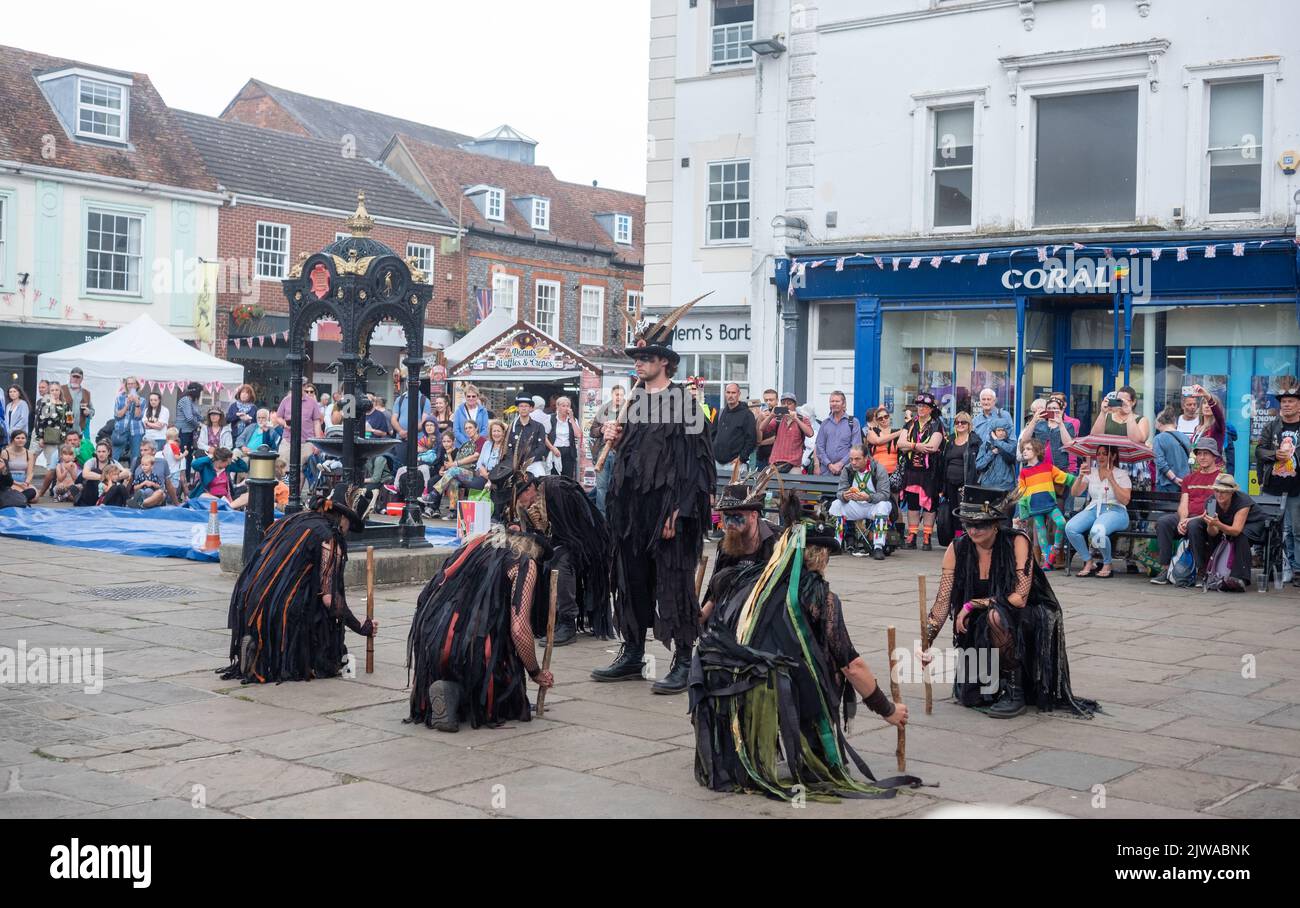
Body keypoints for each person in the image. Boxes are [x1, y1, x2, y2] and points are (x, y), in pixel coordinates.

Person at [691, 495, 918, 799]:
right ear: (821, 556)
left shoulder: (751, 582)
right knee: (825, 667)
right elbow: (851, 664)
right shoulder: (822, 599)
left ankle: (752, 750)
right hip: (774, 689)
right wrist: (888, 709)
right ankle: (811, 744)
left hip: (729, 687)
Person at [595, 297, 715, 695]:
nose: (638, 363)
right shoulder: (631, 402)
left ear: (664, 361)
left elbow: (697, 464)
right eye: (637, 357)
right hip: (631, 511)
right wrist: (609, 434)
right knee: (632, 579)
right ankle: (632, 652)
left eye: (645, 357)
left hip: (669, 512)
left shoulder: (685, 402)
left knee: (674, 582)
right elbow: (630, 453)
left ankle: (684, 659)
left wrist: (678, 512)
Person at [922, 485, 1097, 719]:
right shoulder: (957, 548)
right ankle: (994, 681)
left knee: (997, 615)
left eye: (980, 524)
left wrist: (973, 604)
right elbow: (942, 602)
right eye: (968, 524)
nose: (973, 530)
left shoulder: (1017, 541)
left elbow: (1019, 598)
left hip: (1027, 615)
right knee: (970, 696)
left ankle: (1015, 691)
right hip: (983, 622)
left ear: (995, 523)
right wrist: (925, 642)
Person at [220, 480, 378, 683]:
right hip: (282, 610)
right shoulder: (330, 540)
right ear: (344, 518)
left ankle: (258, 648)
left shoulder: (296, 519)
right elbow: (330, 599)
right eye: (351, 524)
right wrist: (361, 627)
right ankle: (281, 655)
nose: (348, 531)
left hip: (251, 601)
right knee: (328, 649)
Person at [406, 526, 552, 732]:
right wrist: (535, 671)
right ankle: (457, 693)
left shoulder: (472, 548)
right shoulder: (523, 563)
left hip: (432, 640)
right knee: (503, 690)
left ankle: (450, 690)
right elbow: (519, 629)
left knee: (471, 659)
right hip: (475, 648)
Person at [506, 468, 613, 644]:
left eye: (519, 497)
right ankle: (541, 620)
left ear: (530, 489)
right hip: (563, 540)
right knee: (531, 556)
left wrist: (547, 544)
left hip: (585, 541)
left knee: (559, 562)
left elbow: (572, 531)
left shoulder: (557, 490)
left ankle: (567, 621)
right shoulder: (534, 498)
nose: (519, 503)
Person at [1150, 437, 1225, 584]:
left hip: (1209, 519)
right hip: (1188, 517)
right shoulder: (1189, 479)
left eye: (1206, 453)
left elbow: (1213, 509)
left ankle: (1200, 571)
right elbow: (1183, 504)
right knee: (1164, 522)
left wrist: (1188, 521)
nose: (1202, 457)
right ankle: (1166, 569)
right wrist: (1183, 520)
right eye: (1199, 453)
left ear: (1215, 456)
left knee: (1193, 525)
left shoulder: (1221, 479)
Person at [1255, 383, 1300, 588]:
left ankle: (1297, 569)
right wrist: (1275, 455)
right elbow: (1259, 451)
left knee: (1296, 530)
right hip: (1272, 486)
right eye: (1284, 401)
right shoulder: (1271, 426)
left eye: (1291, 401)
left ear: (1299, 405)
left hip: (1296, 487)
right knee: (1273, 529)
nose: (1287, 405)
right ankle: (1275, 568)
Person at [1064, 445, 1132, 578]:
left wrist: (1111, 479)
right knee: (1070, 528)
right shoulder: (1091, 472)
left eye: (1105, 453)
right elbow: (1075, 492)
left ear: (1113, 456)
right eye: (1098, 453)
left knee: (1097, 531)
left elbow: (1125, 500)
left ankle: (1107, 563)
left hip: (1115, 510)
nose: (1100, 456)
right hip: (1094, 508)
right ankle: (1088, 560)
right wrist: (1080, 476)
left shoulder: (1121, 474)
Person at [1190, 474, 1258, 588]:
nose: (1219, 494)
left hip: (1254, 524)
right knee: (1211, 534)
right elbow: (1213, 532)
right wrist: (1211, 524)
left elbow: (1236, 530)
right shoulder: (1211, 502)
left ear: (1231, 492)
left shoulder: (1243, 501)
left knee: (1241, 535)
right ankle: (1211, 572)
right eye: (1216, 490)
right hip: (1228, 525)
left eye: (1223, 491)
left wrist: (1218, 524)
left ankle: (1240, 578)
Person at [1016, 438, 1073, 569]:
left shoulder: (1047, 467)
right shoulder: (1024, 472)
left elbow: (1063, 477)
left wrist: (1079, 480)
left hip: (1050, 504)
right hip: (1035, 507)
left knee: (1061, 523)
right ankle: (1047, 560)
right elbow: (1022, 492)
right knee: (1041, 534)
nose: (1025, 451)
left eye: (1028, 449)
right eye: (1024, 449)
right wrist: (1023, 514)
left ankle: (1056, 548)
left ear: (1037, 451)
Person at [897, 392, 945, 550]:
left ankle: (927, 536)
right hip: (912, 470)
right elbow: (900, 444)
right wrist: (916, 446)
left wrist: (909, 445)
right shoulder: (910, 424)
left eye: (925, 406)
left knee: (930, 504)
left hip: (930, 471)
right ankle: (911, 536)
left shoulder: (937, 424)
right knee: (912, 504)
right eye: (919, 406)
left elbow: (932, 447)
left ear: (931, 409)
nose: (921, 409)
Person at [830, 445, 894, 559]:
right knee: (836, 504)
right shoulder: (847, 469)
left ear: (866, 458)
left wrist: (868, 497)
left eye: (857, 459)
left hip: (873, 506)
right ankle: (836, 544)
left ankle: (878, 547)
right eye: (851, 459)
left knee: (883, 505)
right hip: (855, 507)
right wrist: (844, 496)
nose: (853, 462)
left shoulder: (878, 469)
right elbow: (840, 492)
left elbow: (884, 494)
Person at [430, 419, 486, 516]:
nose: (468, 430)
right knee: (453, 481)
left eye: (470, 427)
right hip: (463, 472)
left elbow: (475, 456)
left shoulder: (481, 440)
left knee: (454, 470)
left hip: (474, 473)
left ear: (476, 428)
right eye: (466, 428)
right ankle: (453, 511)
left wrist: (456, 463)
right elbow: (455, 462)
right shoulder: (467, 444)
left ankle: (434, 494)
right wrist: (445, 469)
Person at [759, 391, 813, 473]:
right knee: (769, 485)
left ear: (795, 405)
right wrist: (771, 415)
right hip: (775, 462)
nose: (786, 406)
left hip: (793, 464)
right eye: (783, 403)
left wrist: (796, 419)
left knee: (795, 484)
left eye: (789, 403)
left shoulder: (802, 419)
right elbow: (761, 428)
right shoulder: (778, 419)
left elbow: (810, 433)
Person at [591, 385, 625, 514]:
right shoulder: (603, 410)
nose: (618, 397)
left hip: (619, 454)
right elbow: (592, 431)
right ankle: (602, 518)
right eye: (616, 394)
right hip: (602, 453)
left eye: (621, 395)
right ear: (612, 395)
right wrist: (602, 429)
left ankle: (615, 517)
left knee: (617, 487)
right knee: (601, 487)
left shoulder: (629, 411)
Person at [711, 381, 757, 477]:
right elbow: (712, 436)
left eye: (733, 393)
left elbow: (751, 440)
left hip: (735, 465)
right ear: (725, 394)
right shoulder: (720, 413)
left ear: (739, 394)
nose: (730, 395)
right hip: (716, 463)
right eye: (728, 392)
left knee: (734, 492)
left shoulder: (747, 415)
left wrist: (741, 459)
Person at [941, 411, 980, 525]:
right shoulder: (950, 440)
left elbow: (978, 464)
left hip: (965, 483)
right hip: (950, 483)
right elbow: (944, 463)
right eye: (957, 422)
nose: (960, 424)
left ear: (969, 425)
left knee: (964, 513)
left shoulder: (974, 441)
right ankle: (957, 538)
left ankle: (966, 537)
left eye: (963, 422)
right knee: (953, 512)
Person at [275, 382, 324, 466]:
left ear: (304, 387)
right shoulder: (286, 400)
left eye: (300, 386)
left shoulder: (312, 402)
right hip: (288, 440)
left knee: (302, 471)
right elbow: (278, 417)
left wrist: (317, 444)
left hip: (307, 442)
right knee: (282, 468)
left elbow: (317, 423)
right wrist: (285, 424)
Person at [1019, 397, 1073, 472]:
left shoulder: (1067, 426)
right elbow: (1024, 440)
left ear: (1061, 410)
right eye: (1049, 408)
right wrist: (1034, 420)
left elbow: (1068, 445)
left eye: (1055, 408)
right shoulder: (1039, 424)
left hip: (1059, 468)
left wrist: (1060, 424)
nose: (1052, 410)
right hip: (1039, 467)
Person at [813, 391, 860, 476]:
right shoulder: (825, 423)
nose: (834, 404)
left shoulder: (853, 422)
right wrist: (829, 465)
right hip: (826, 471)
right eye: (832, 401)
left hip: (846, 470)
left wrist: (841, 464)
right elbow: (820, 447)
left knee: (845, 490)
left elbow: (856, 448)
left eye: (837, 401)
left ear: (844, 404)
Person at [506, 394, 547, 477]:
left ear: (531, 408)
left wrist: (528, 460)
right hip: (515, 464)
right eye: (521, 406)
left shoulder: (539, 426)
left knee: (542, 480)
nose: (523, 408)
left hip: (534, 463)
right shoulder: (511, 427)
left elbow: (541, 447)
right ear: (517, 408)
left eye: (526, 406)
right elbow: (508, 447)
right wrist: (514, 462)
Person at [1153, 408, 1193, 493]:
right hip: (1185, 483)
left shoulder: (1158, 439)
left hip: (1166, 485)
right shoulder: (1185, 438)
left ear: (1159, 423)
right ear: (1174, 422)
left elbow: (1160, 462)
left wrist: (1174, 478)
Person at [544, 395, 581, 480]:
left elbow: (578, 435)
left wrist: (571, 418)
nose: (566, 408)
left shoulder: (573, 420)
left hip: (569, 451)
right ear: (557, 407)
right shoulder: (550, 418)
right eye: (563, 406)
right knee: (554, 478)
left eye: (568, 406)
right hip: (555, 450)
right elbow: (544, 436)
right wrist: (552, 448)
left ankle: (566, 493)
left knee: (567, 479)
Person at [974, 416, 1017, 491]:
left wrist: (997, 441)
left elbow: (1011, 453)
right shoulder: (986, 445)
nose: (1001, 433)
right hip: (988, 486)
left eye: (1004, 430)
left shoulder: (1011, 445)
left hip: (1006, 486)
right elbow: (979, 465)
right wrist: (991, 453)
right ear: (993, 432)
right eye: (999, 430)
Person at [33, 381, 68, 470]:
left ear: (60, 391)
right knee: (51, 463)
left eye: (57, 390)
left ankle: (59, 482)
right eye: (52, 390)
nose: (55, 392)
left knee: (63, 462)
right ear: (49, 392)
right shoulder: (45, 404)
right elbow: (41, 422)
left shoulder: (65, 404)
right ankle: (50, 482)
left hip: (62, 438)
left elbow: (70, 421)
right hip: (49, 438)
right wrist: (40, 438)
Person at [390, 369, 432, 444]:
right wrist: (400, 431)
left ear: (419, 383)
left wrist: (410, 433)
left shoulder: (425, 401)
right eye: (408, 382)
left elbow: (424, 421)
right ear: (406, 383)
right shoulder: (400, 399)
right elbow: (393, 419)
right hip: (400, 440)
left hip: (419, 441)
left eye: (414, 382)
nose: (410, 384)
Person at [112, 377, 146, 464]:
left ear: (137, 385)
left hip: (136, 430)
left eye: (133, 383)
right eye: (129, 384)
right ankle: (111, 473)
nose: (131, 386)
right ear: (126, 386)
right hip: (121, 430)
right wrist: (127, 405)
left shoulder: (142, 400)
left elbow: (138, 417)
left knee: (135, 455)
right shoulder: (120, 398)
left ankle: (132, 475)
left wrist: (137, 403)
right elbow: (117, 415)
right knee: (115, 454)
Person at [0, 429, 37, 504]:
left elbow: (30, 473)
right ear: (13, 440)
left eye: (23, 438)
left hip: (23, 481)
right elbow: (5, 473)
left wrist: (26, 483)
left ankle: (17, 499)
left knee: (35, 497)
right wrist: (17, 484)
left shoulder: (29, 453)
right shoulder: (5, 452)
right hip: (11, 481)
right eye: (18, 438)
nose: (20, 440)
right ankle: (17, 499)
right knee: (19, 492)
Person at [175, 382, 204, 475]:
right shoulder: (186, 400)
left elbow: (198, 415)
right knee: (184, 455)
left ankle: (187, 479)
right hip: (183, 432)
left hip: (190, 432)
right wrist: (199, 425)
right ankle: (183, 479)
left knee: (189, 456)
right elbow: (189, 418)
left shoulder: (191, 401)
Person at [74, 441, 115, 507]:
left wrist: (113, 477)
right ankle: (79, 492)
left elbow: (126, 473)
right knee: (96, 471)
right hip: (90, 490)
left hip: (103, 491)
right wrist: (104, 477)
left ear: (108, 452)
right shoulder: (92, 461)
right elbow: (85, 474)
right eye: (99, 452)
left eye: (103, 451)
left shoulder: (113, 462)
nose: (101, 454)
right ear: (96, 452)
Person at [60, 367, 94, 435]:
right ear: (70, 376)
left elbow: (92, 410)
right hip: (63, 431)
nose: (75, 379)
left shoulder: (86, 393)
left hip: (79, 432)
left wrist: (88, 412)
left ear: (82, 379)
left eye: (78, 377)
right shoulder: (61, 389)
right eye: (74, 376)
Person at [753, 388, 779, 469]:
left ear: (777, 401)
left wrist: (761, 443)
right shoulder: (761, 416)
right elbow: (758, 439)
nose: (768, 402)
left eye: (771, 400)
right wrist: (759, 420)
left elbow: (778, 438)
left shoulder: (781, 416)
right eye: (766, 400)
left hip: (776, 458)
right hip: (761, 458)